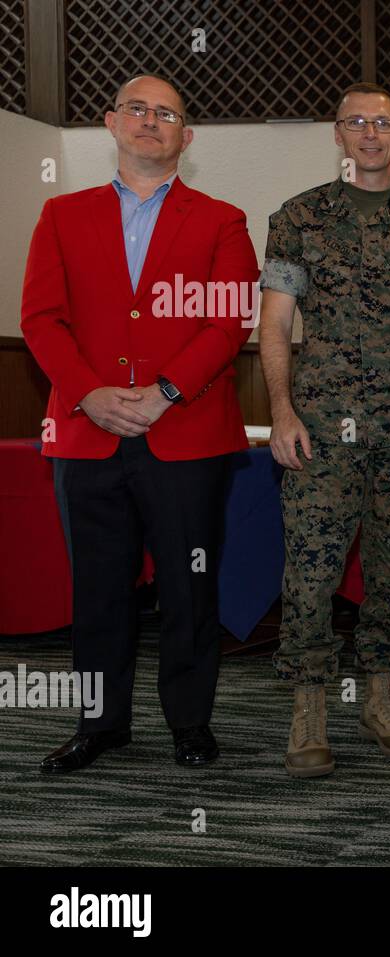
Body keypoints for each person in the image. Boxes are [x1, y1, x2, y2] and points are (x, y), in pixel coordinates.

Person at [21, 74, 259, 771]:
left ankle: (190, 723)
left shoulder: (223, 220)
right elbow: (40, 319)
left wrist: (165, 390)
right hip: (86, 434)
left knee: (189, 588)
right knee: (96, 591)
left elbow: (229, 320)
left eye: (168, 114)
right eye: (138, 109)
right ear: (111, 121)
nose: (151, 121)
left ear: (186, 137)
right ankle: (101, 725)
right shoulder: (61, 215)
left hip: (184, 437)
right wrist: (89, 392)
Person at [258, 82, 390, 779]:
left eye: (383, 123)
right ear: (338, 133)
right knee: (313, 571)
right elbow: (276, 323)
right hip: (319, 426)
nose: (371, 134)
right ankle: (309, 706)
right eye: (357, 122)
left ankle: (382, 697)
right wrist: (282, 411)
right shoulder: (299, 218)